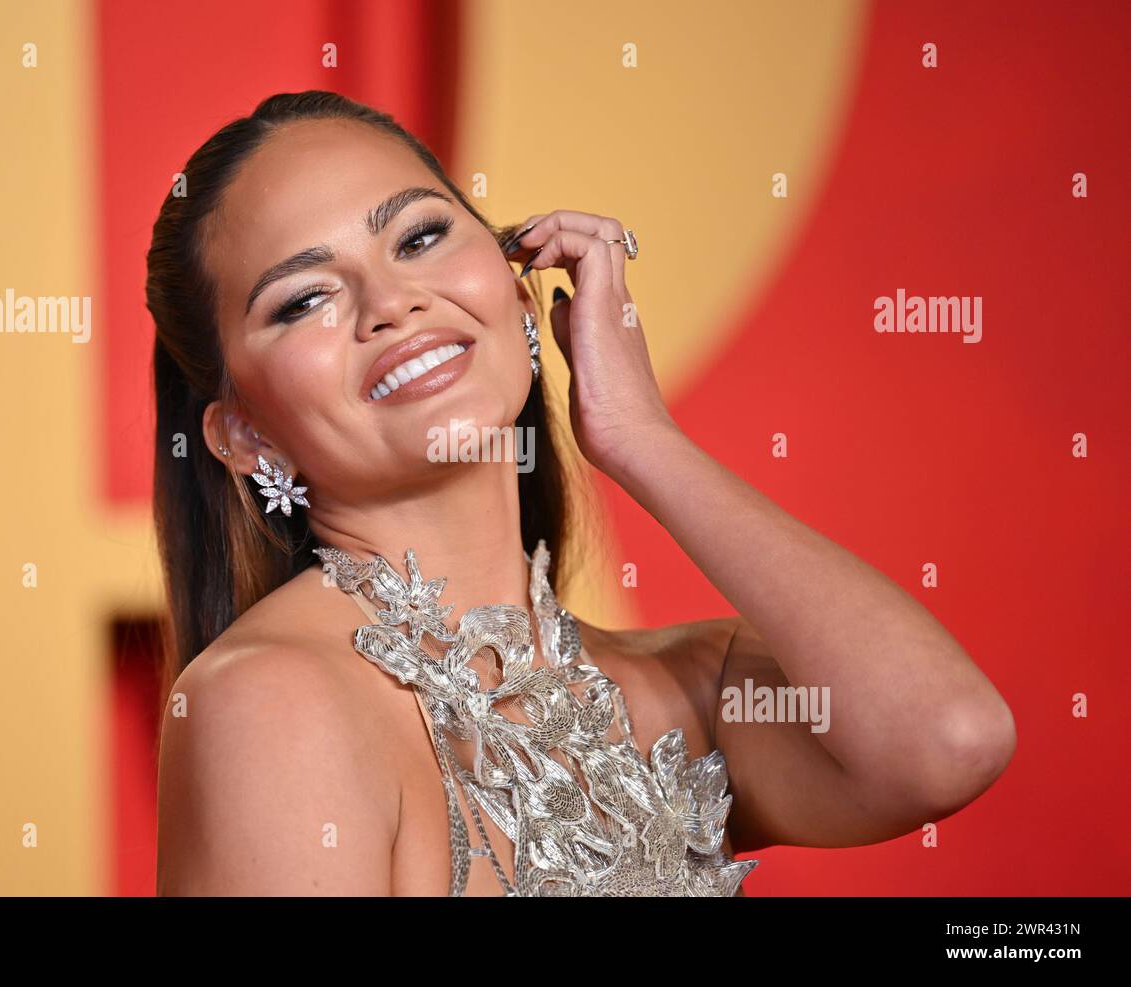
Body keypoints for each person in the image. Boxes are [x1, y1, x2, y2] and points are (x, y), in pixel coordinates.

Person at [148, 90, 1015, 896]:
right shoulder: (266, 705)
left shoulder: (677, 689)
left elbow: (949, 738)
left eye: (417, 239)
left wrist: (642, 440)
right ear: (246, 434)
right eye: (304, 299)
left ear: (516, 283)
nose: (391, 303)